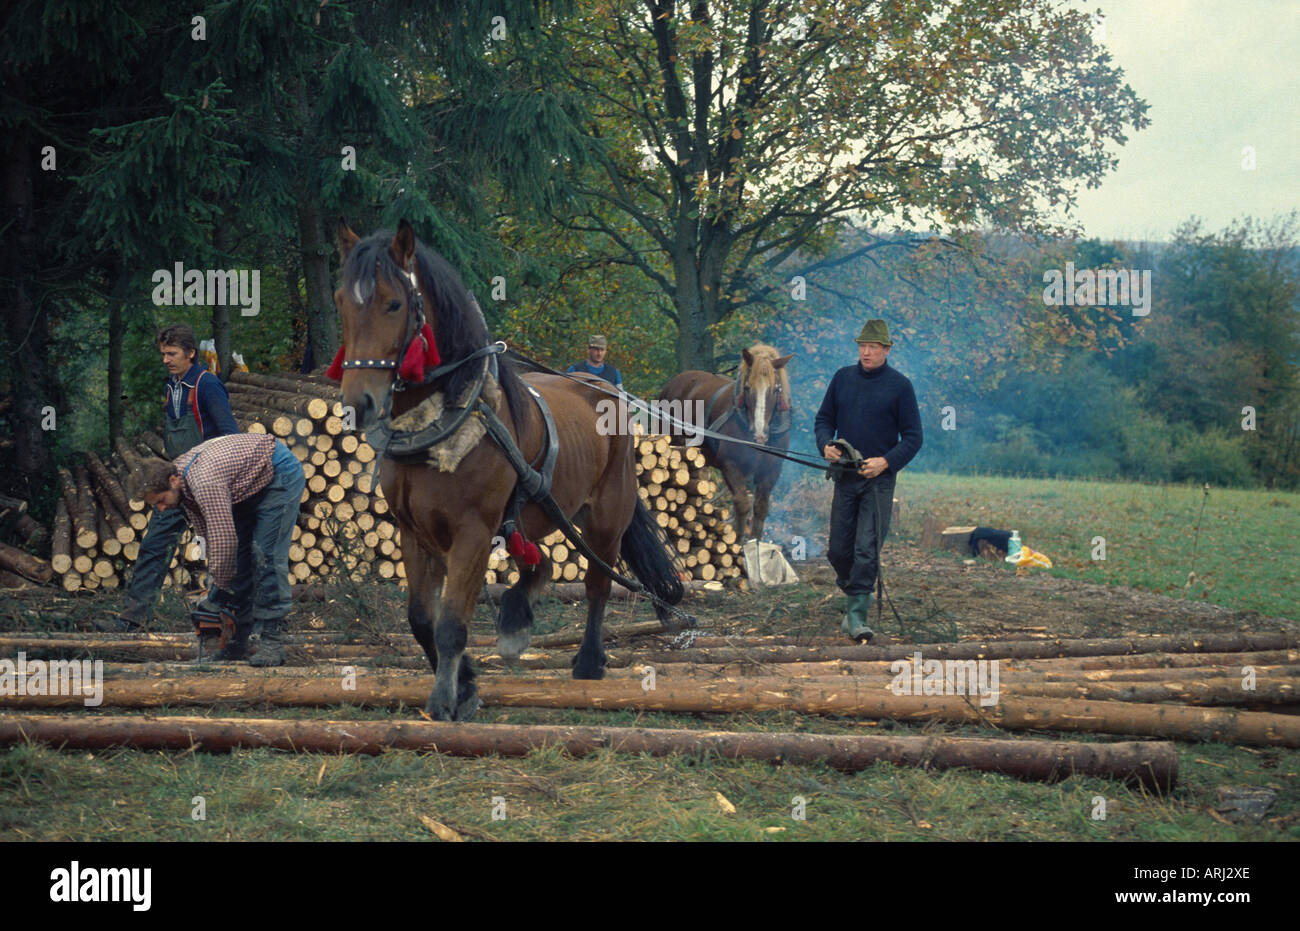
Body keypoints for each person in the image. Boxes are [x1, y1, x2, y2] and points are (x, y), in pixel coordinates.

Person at [100, 325, 239, 631]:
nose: (165, 359)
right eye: (163, 353)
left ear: (191, 353)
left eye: (172, 353)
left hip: (209, 482)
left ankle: (233, 619)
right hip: (177, 481)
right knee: (154, 544)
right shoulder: (172, 386)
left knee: (220, 549)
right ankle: (133, 619)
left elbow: (231, 436)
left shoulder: (207, 385)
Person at [128, 434, 305, 666]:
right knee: (239, 563)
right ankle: (237, 643)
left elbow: (224, 540)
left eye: (161, 500)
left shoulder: (204, 483)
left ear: (172, 481)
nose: (161, 508)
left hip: (278, 474)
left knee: (265, 555)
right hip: (243, 485)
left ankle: (273, 640)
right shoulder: (183, 482)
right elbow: (207, 534)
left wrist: (218, 593)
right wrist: (215, 585)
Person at [814, 319, 923, 641]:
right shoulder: (842, 378)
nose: (866, 352)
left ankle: (857, 616)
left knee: (866, 549)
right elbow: (823, 420)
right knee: (837, 550)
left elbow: (914, 437)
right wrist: (825, 446)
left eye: (873, 347)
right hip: (845, 476)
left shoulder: (900, 386)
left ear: (886, 350)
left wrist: (887, 462)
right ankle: (855, 597)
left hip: (878, 480)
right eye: (862, 346)